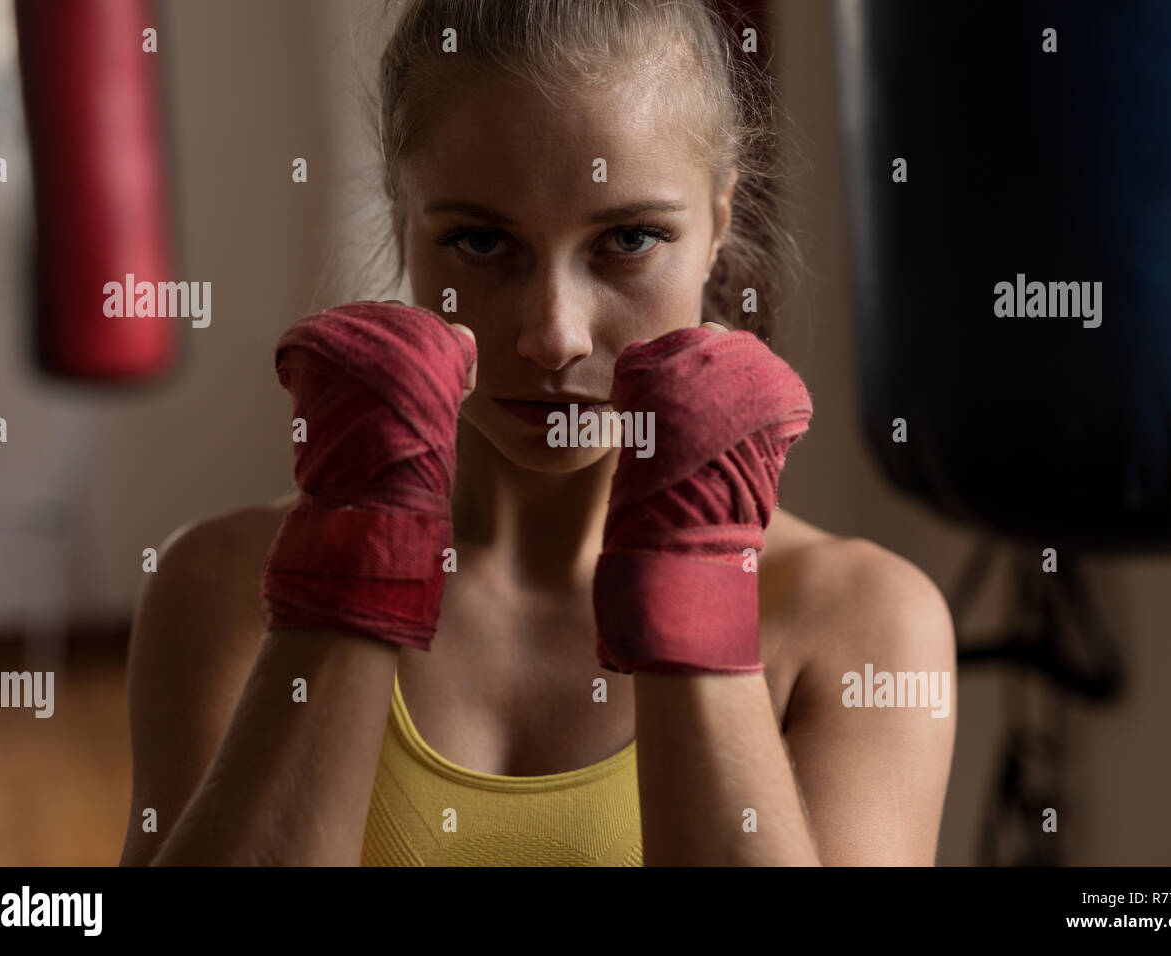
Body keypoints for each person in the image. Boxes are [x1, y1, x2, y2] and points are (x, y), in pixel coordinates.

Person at [119, 0, 956, 867]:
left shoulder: (860, 623)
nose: (553, 334)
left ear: (720, 224)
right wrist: (351, 561)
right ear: (403, 223)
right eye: (482, 243)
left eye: (629, 239)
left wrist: (695, 583)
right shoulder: (222, 586)